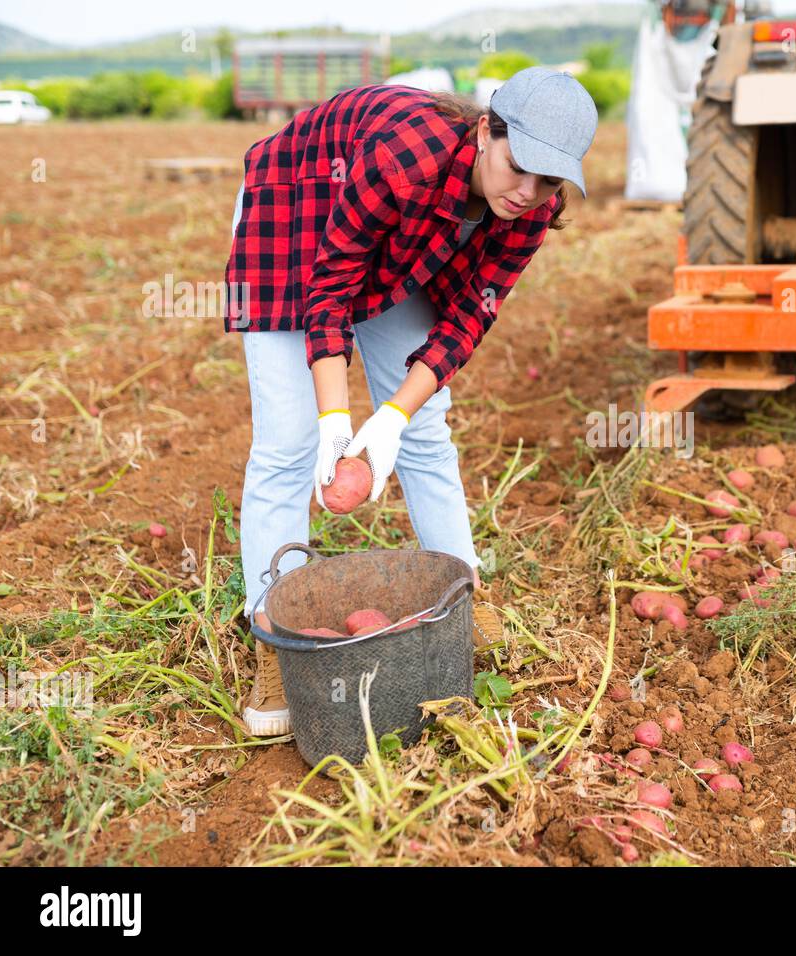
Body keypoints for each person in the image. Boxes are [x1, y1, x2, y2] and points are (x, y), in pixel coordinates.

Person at [223, 67, 598, 736]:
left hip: (401, 239)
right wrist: (337, 422)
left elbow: (467, 320)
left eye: (549, 181)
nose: (528, 192)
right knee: (287, 442)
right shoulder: (403, 162)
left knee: (427, 428)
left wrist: (392, 416)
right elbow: (330, 289)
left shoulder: (531, 206)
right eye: (518, 168)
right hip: (299, 211)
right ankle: (273, 642)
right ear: (486, 130)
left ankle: (465, 596)